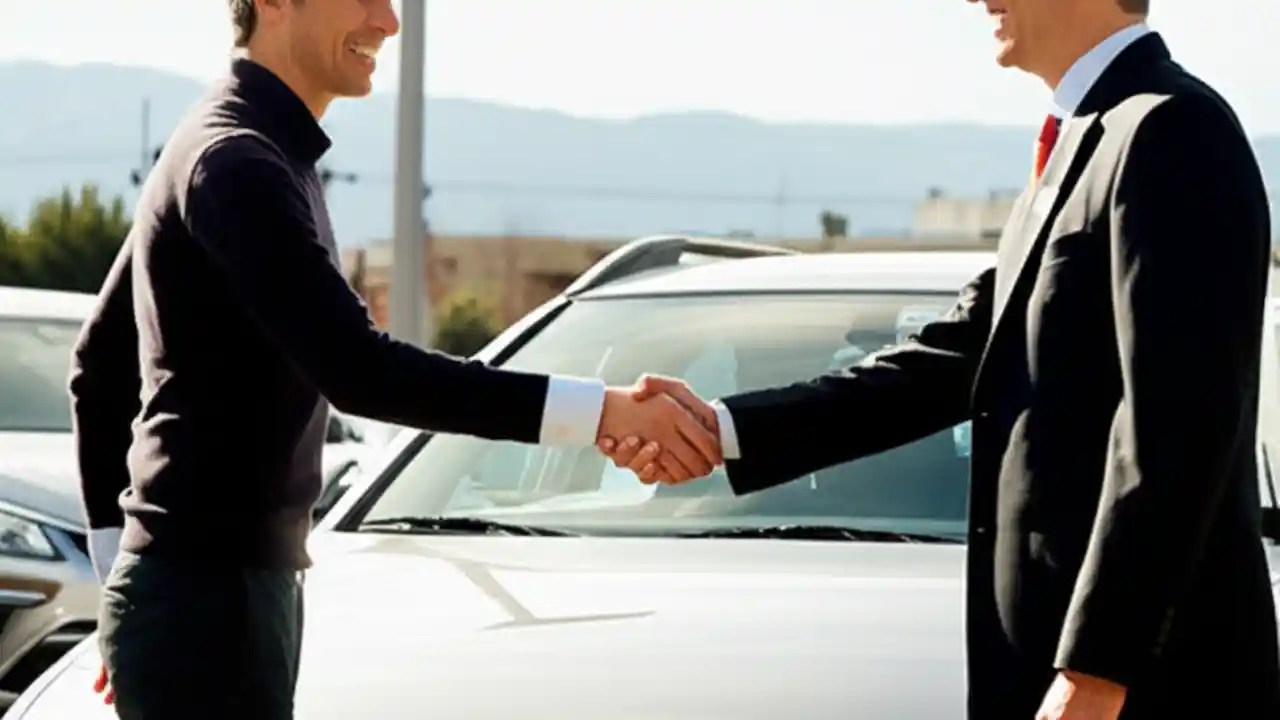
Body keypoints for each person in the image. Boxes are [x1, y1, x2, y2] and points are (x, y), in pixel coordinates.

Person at [601, 1, 1280, 718]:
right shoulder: (1082, 139)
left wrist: (1096, 674)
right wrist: (725, 428)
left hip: (1145, 692)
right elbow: (954, 361)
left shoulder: (1171, 130)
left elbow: (1178, 429)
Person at [68, 1, 717, 717]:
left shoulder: (240, 146)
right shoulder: (235, 162)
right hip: (207, 603)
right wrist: (600, 412)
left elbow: (97, 365)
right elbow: (359, 371)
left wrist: (122, 574)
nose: (389, 21)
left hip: (211, 594)